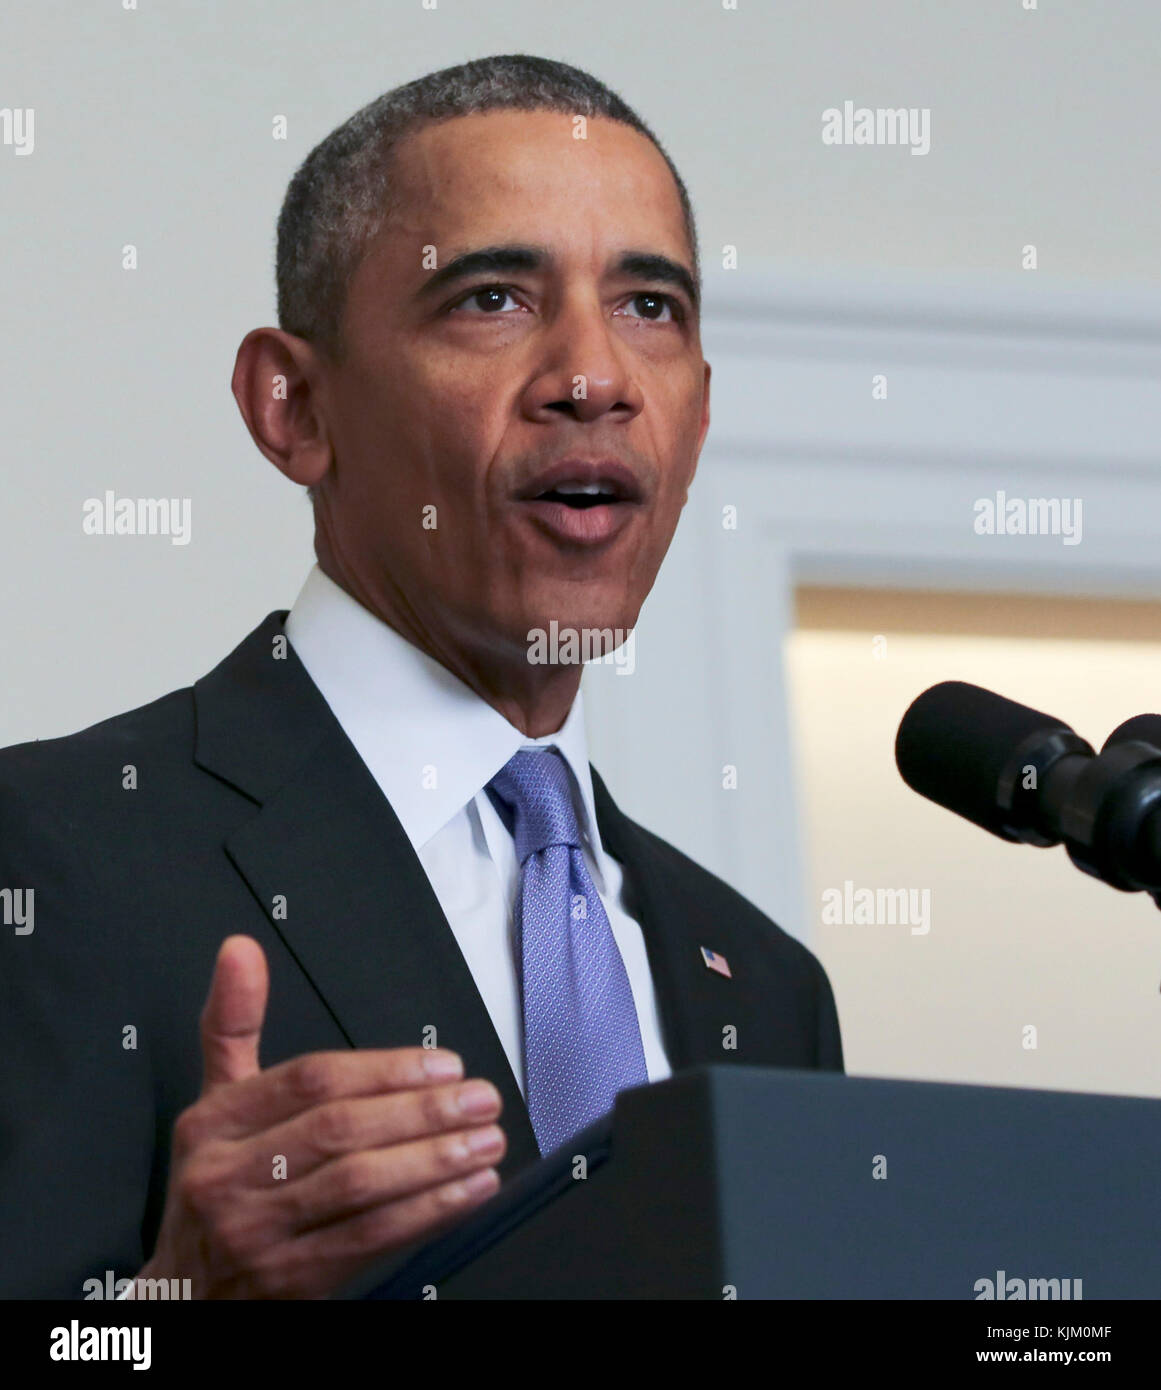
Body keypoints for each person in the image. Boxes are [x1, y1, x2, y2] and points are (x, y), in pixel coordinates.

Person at [0, 53, 842, 1301]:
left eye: (650, 306)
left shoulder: (766, 987)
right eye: (495, 298)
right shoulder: (53, 853)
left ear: (701, 416)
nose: (594, 376)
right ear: (293, 407)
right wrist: (176, 1301)